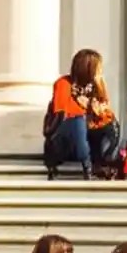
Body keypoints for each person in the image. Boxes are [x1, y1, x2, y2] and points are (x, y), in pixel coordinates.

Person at [44, 49, 119, 180]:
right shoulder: (64, 83)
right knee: (78, 121)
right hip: (65, 140)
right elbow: (60, 115)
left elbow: (106, 115)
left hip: (87, 140)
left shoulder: (96, 87)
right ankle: (87, 167)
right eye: (98, 68)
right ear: (87, 69)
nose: (100, 72)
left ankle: (102, 162)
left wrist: (96, 100)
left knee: (112, 123)